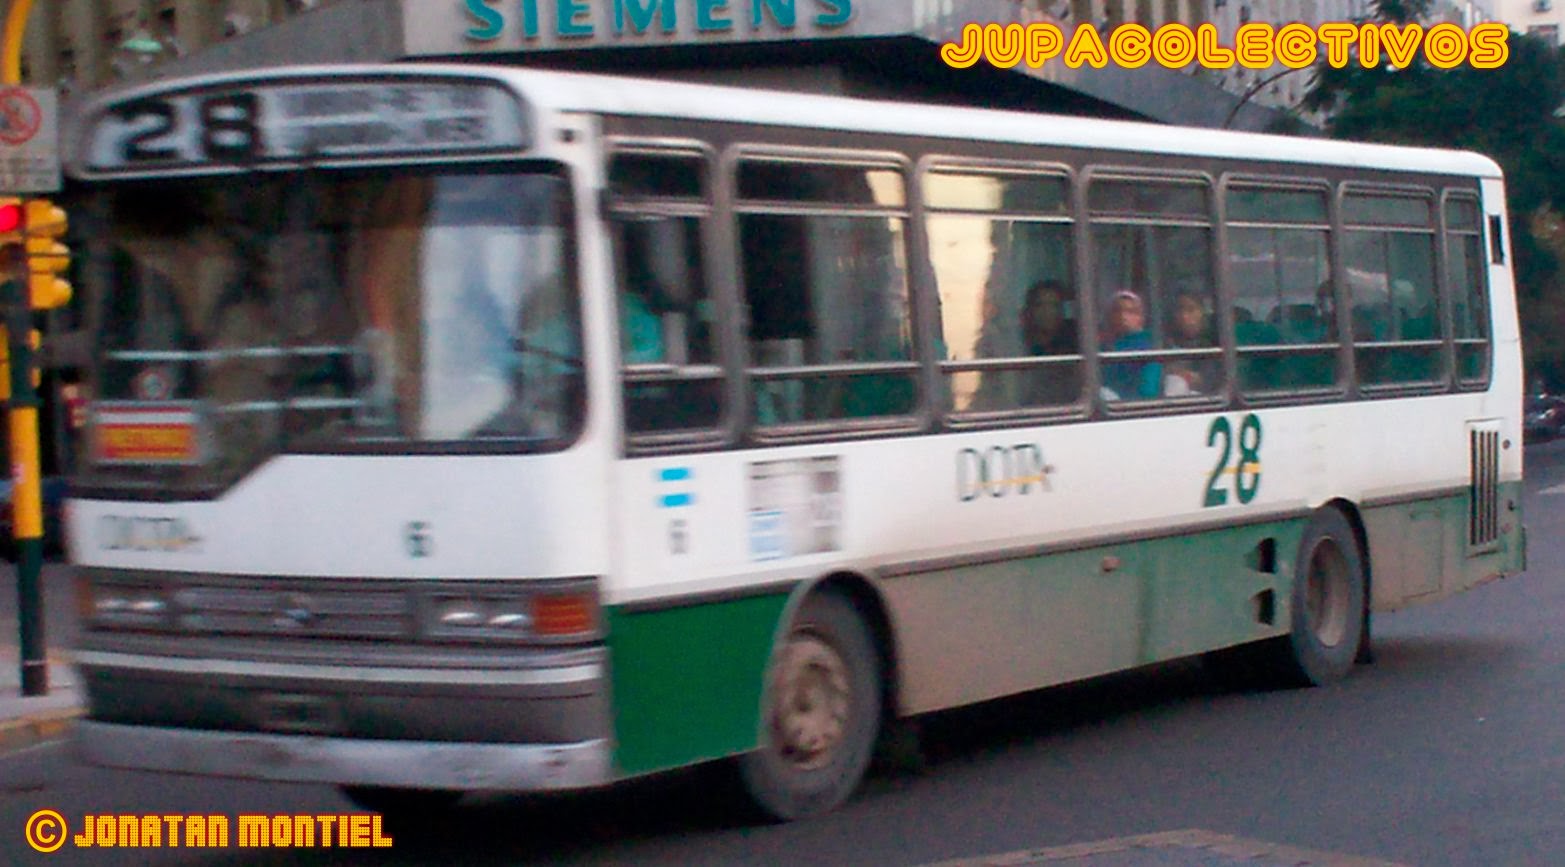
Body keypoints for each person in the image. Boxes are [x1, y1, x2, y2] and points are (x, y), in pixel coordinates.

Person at [1099, 290, 1162, 400]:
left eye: (1130, 312)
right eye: (1117, 311)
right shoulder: (1101, 345)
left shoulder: (1149, 347)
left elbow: (1148, 391)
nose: (1123, 316)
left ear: (1141, 318)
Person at [1163, 292, 1219, 395]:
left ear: (1202, 312)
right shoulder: (1164, 344)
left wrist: (1188, 376)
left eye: (1191, 310)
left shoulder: (1212, 344)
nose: (1184, 316)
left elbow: (1213, 380)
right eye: (1180, 310)